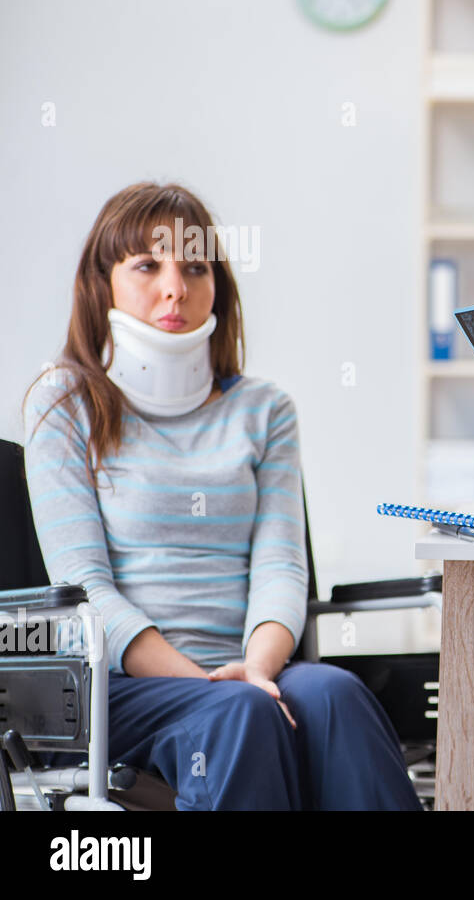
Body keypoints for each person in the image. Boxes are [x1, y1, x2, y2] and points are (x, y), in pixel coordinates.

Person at [23, 181, 422, 810]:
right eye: (148, 265)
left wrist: (258, 672)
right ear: (102, 285)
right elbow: (84, 590)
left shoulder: (265, 411)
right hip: (120, 688)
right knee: (239, 712)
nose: (174, 287)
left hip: (249, 671)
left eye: (195, 267)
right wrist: (214, 685)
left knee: (336, 694)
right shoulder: (65, 404)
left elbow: (281, 566)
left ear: (219, 287)